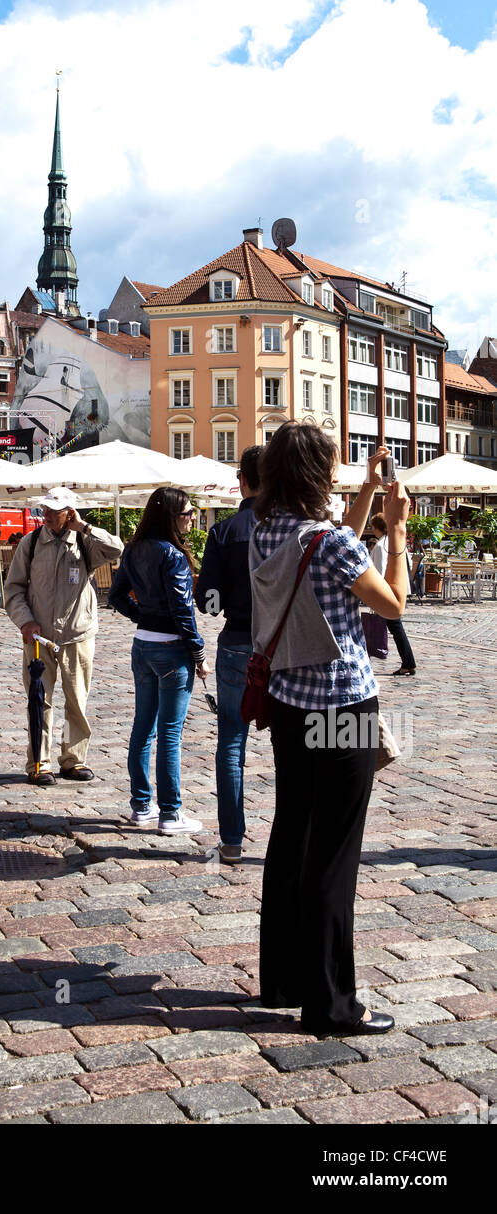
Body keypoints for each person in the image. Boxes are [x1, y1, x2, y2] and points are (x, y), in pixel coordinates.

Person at [251, 424, 409, 1037]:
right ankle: (333, 1003)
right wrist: (395, 532)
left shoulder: (265, 530)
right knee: (334, 854)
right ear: (319, 475)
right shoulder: (332, 543)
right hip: (341, 710)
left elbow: (331, 536)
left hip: (289, 704)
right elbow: (393, 604)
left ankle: (284, 980)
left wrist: (368, 494)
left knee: (292, 833)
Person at [4, 486, 124, 785]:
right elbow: (14, 589)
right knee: (39, 700)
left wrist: (83, 527)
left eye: (52, 512)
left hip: (77, 635)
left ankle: (73, 759)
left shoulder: (85, 542)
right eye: (44, 510)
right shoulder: (31, 543)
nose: (44, 515)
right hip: (39, 638)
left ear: (69, 514)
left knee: (76, 703)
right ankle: (39, 763)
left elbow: (117, 549)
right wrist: (25, 622)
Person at [109, 486, 209, 834]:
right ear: (171, 517)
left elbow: (116, 595)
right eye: (187, 513)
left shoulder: (134, 548)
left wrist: (142, 616)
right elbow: (184, 611)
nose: (192, 518)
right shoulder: (173, 555)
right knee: (169, 732)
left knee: (143, 726)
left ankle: (141, 806)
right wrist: (198, 651)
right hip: (170, 648)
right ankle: (170, 813)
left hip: (143, 645)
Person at [195, 445, 264, 863]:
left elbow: (209, 601)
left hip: (237, 640)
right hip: (283, 646)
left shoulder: (224, 531)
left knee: (231, 743)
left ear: (242, 481)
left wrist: (221, 598)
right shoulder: (292, 527)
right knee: (291, 745)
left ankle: (232, 839)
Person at [370, 512, 416, 676]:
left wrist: (376, 596)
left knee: (395, 627)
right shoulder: (397, 542)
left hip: (388, 593)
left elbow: (379, 571)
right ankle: (408, 662)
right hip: (398, 590)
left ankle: (408, 662)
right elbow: (408, 565)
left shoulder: (381, 545)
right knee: (395, 627)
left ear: (377, 528)